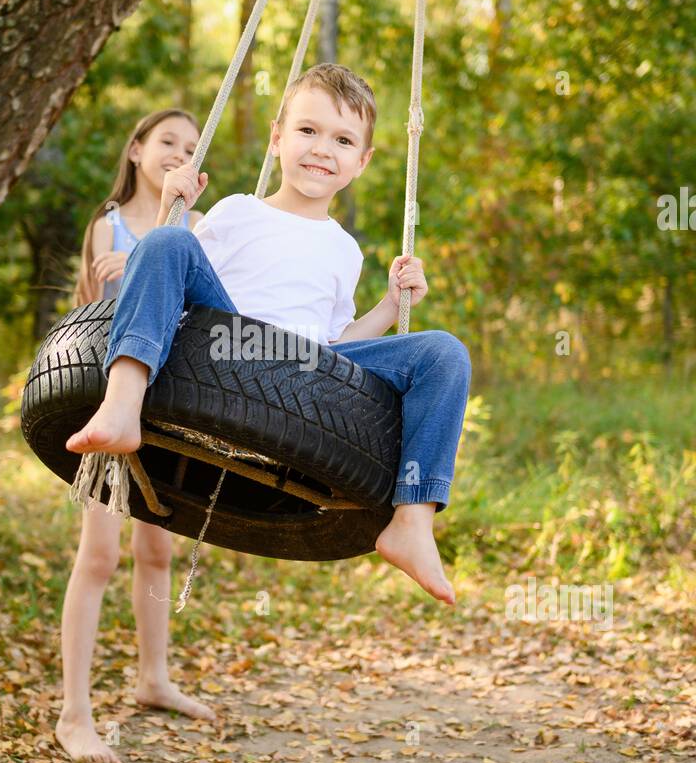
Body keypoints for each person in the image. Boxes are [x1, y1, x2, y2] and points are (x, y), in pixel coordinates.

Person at [66, 63, 472, 607]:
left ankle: (412, 521)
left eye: (343, 139)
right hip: (225, 344)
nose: (323, 149)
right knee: (167, 243)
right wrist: (169, 213)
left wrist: (391, 306)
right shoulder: (237, 212)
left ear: (362, 161)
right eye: (308, 130)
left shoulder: (344, 249)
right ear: (278, 136)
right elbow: (170, 280)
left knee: (443, 353)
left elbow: (337, 343)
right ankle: (122, 404)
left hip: (301, 369)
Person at [56, 109, 216, 763]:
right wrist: (123, 266)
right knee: (100, 556)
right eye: (167, 142)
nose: (177, 153)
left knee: (157, 552)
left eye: (189, 147)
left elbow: (206, 312)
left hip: (171, 403)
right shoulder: (110, 223)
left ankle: (154, 678)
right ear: (137, 150)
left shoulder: (198, 227)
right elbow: (106, 302)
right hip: (112, 397)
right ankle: (75, 714)